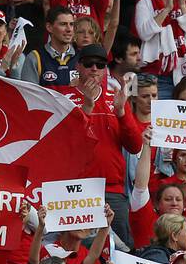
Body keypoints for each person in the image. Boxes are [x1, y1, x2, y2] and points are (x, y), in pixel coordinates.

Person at [61, 44, 145, 248]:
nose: (94, 69)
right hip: (76, 192)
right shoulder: (62, 97)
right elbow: (65, 144)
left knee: (121, 253)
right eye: (89, 64)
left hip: (112, 189)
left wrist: (122, 115)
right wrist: (87, 109)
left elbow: (135, 146)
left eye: (100, 64)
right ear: (78, 66)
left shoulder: (116, 99)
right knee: (76, 251)